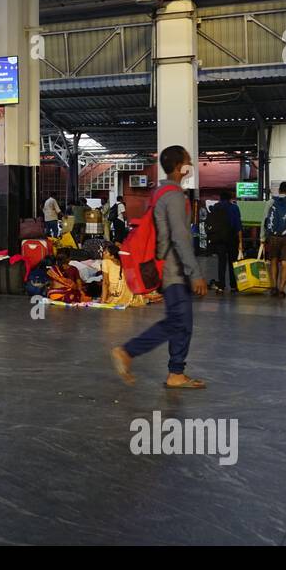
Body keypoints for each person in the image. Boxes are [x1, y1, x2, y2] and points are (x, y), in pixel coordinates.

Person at [111, 145, 208, 389]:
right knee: (178, 321)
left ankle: (176, 373)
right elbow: (180, 237)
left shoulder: (159, 192)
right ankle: (128, 352)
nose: (190, 164)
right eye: (187, 160)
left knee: (182, 321)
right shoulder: (174, 196)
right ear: (179, 167)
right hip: (172, 268)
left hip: (166, 265)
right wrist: (195, 273)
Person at [205, 190, 242, 294]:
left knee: (221, 262)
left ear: (220, 198)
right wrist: (240, 242)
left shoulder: (216, 207)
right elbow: (238, 225)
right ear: (231, 198)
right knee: (232, 262)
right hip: (231, 238)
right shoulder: (234, 207)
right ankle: (233, 286)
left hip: (219, 239)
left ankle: (221, 285)